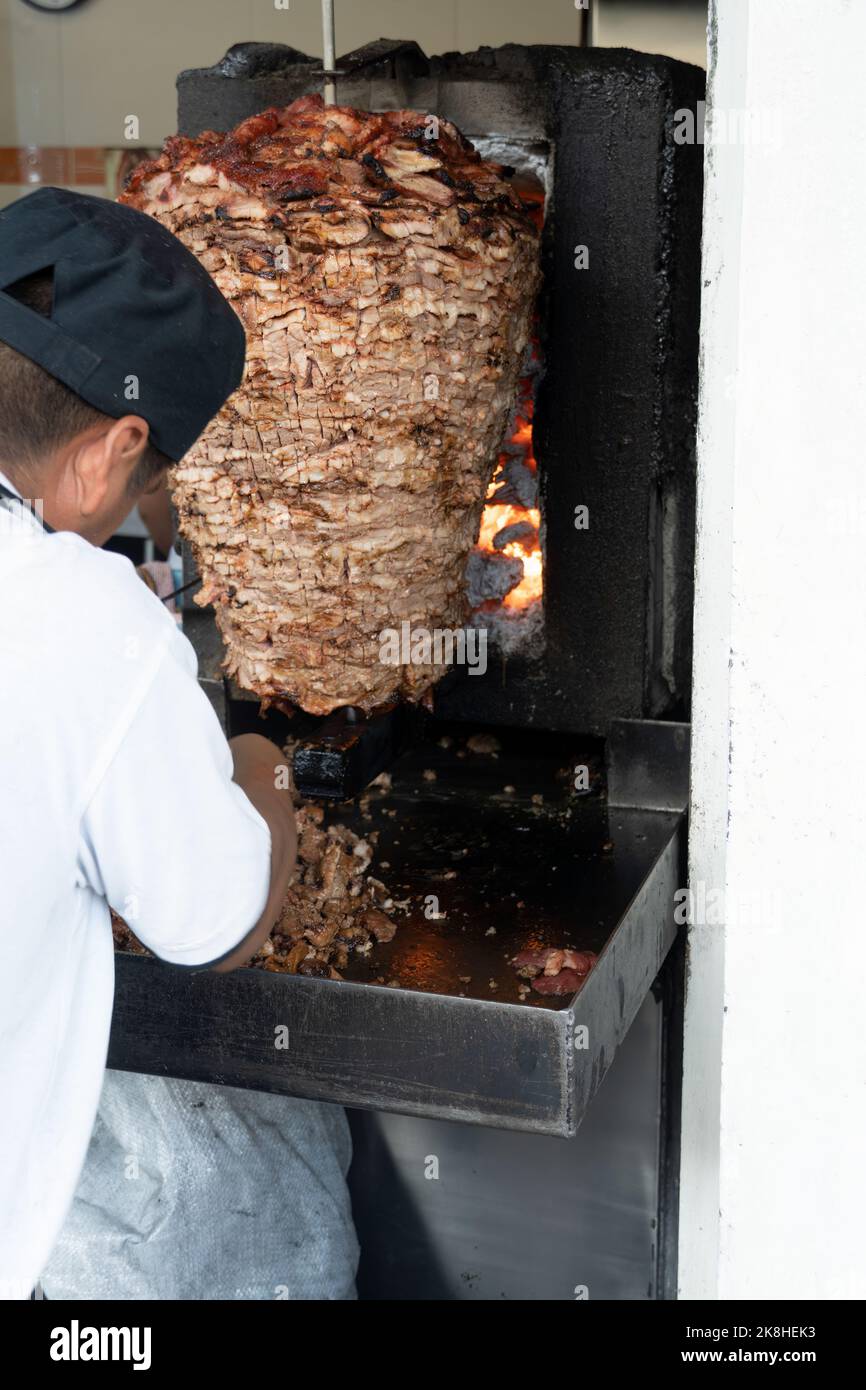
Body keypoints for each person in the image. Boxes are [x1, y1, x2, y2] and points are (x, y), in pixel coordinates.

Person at [0, 188, 358, 1300]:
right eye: (149, 484)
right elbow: (218, 925)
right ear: (114, 449)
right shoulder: (75, 611)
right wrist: (266, 757)